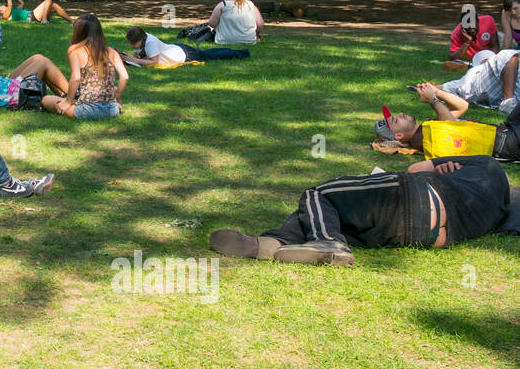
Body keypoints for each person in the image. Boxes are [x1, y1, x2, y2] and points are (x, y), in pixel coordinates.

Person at [209, 156, 514, 267]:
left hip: (416, 194)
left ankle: (327, 242)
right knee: (341, 214)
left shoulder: (485, 163)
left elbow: (416, 168)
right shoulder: (495, 211)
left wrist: (443, 169)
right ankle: (272, 244)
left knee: (318, 193)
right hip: (424, 234)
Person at [378, 82, 520, 161]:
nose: (401, 114)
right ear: (399, 136)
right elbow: (450, 125)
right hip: (508, 143)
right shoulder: (424, 140)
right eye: (396, 121)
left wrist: (436, 92)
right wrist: (432, 100)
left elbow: (462, 106)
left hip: (508, 129)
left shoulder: (428, 127)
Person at [41, 14, 128, 119]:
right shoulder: (111, 51)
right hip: (112, 110)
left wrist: (68, 101)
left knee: (45, 99)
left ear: (78, 32)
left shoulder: (75, 50)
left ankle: (68, 101)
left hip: (87, 110)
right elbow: (125, 77)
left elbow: (76, 78)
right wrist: (117, 99)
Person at [434, 48, 520, 113]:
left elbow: (440, 88)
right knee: (507, 54)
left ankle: (509, 102)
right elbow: (440, 88)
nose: (487, 60)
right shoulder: (475, 72)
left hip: (512, 92)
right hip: (482, 88)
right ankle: (508, 102)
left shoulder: (508, 67)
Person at [121, 26, 249, 65]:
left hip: (183, 54)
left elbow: (154, 62)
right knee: (209, 53)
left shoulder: (151, 43)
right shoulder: (142, 39)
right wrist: (131, 58)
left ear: (141, 39)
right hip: (177, 49)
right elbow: (140, 56)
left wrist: (134, 59)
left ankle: (242, 53)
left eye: (133, 44)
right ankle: (235, 51)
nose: (132, 46)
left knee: (211, 56)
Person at [0, 0, 72, 24]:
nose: (2, 5)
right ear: (1, 13)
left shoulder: (14, 12)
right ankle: (44, 20)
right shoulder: (6, 16)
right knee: (48, 1)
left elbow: (22, 3)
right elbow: (10, 4)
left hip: (34, 16)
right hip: (32, 16)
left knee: (55, 6)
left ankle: (71, 21)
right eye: (0, 6)